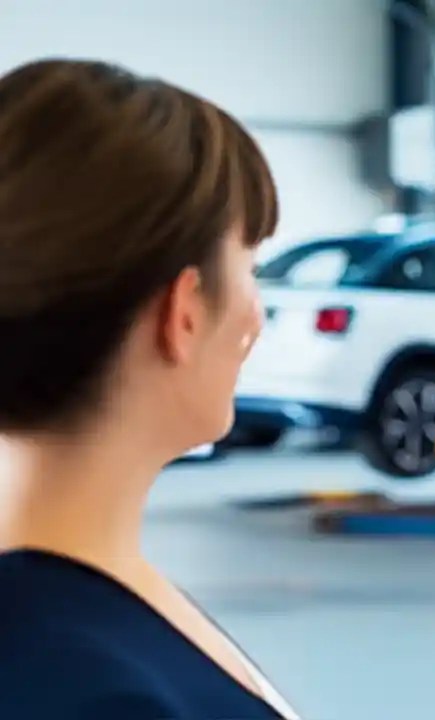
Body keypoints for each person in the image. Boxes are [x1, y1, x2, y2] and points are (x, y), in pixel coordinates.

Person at [0, 59, 297, 718]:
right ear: (182, 313)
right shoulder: (94, 688)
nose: (257, 313)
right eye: (249, 265)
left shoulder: (93, 599)